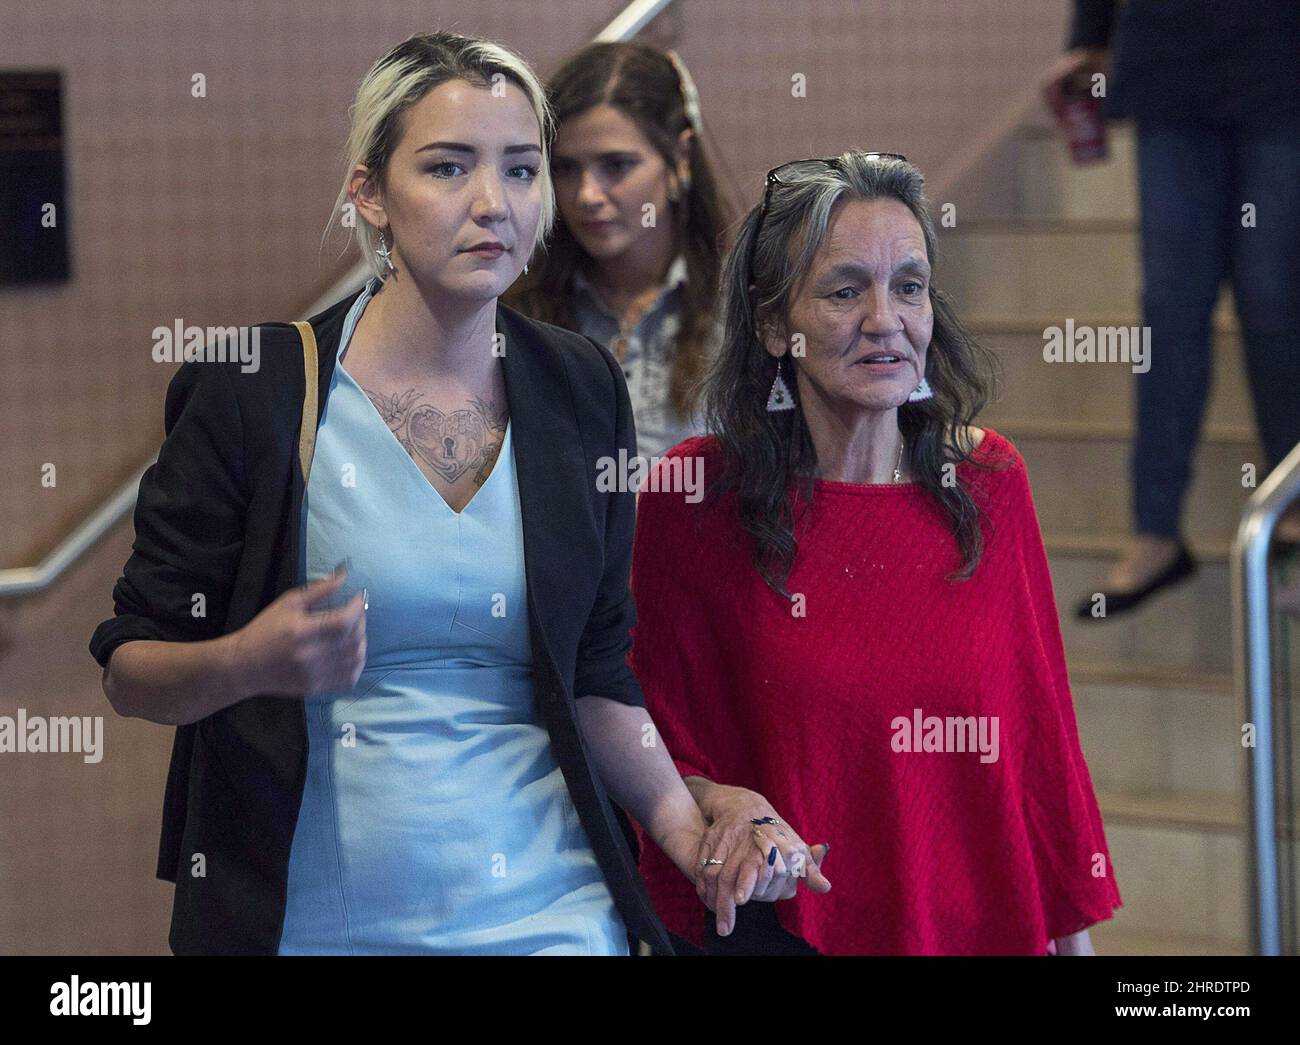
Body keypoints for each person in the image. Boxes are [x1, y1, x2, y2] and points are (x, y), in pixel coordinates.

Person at [88, 31, 812, 956]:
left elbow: (596, 668)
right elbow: (130, 667)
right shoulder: (259, 389)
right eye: (447, 167)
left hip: (554, 910)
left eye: (519, 170)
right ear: (370, 194)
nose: (491, 203)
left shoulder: (579, 386)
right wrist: (249, 661)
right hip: (320, 921)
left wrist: (688, 830)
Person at [629, 151, 1122, 954]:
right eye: (844, 290)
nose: (885, 318)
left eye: (910, 286)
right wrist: (721, 800)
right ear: (771, 324)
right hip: (777, 935)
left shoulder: (988, 479)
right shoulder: (695, 496)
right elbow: (646, 738)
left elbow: (1041, 748)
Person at [1041, 1, 1300, 618]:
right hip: (1170, 64)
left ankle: (1290, 506)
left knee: (1274, 298)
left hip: (1281, 61)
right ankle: (1154, 529)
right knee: (1168, 309)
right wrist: (1089, 38)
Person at [505, 42, 731, 459]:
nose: (587, 195)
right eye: (566, 168)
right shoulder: (517, 314)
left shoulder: (744, 306)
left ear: (680, 158)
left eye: (616, 165)